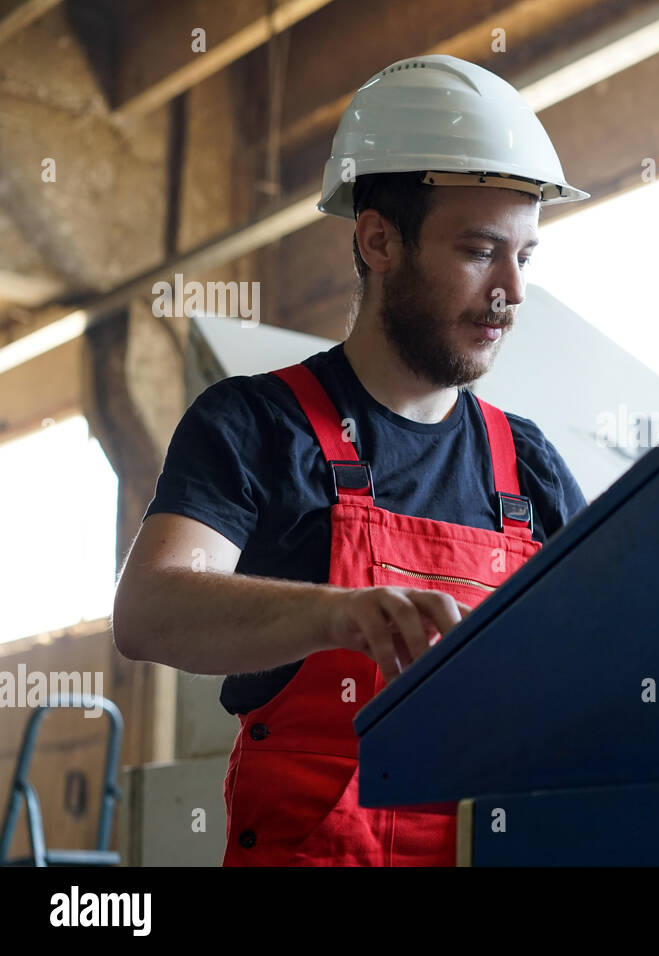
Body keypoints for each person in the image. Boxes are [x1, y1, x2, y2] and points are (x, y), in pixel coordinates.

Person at [112, 54, 590, 866]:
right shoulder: (258, 426)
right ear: (378, 240)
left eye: (525, 256)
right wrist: (340, 615)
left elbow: (604, 666)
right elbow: (149, 611)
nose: (511, 290)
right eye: (479, 251)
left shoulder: (530, 468)